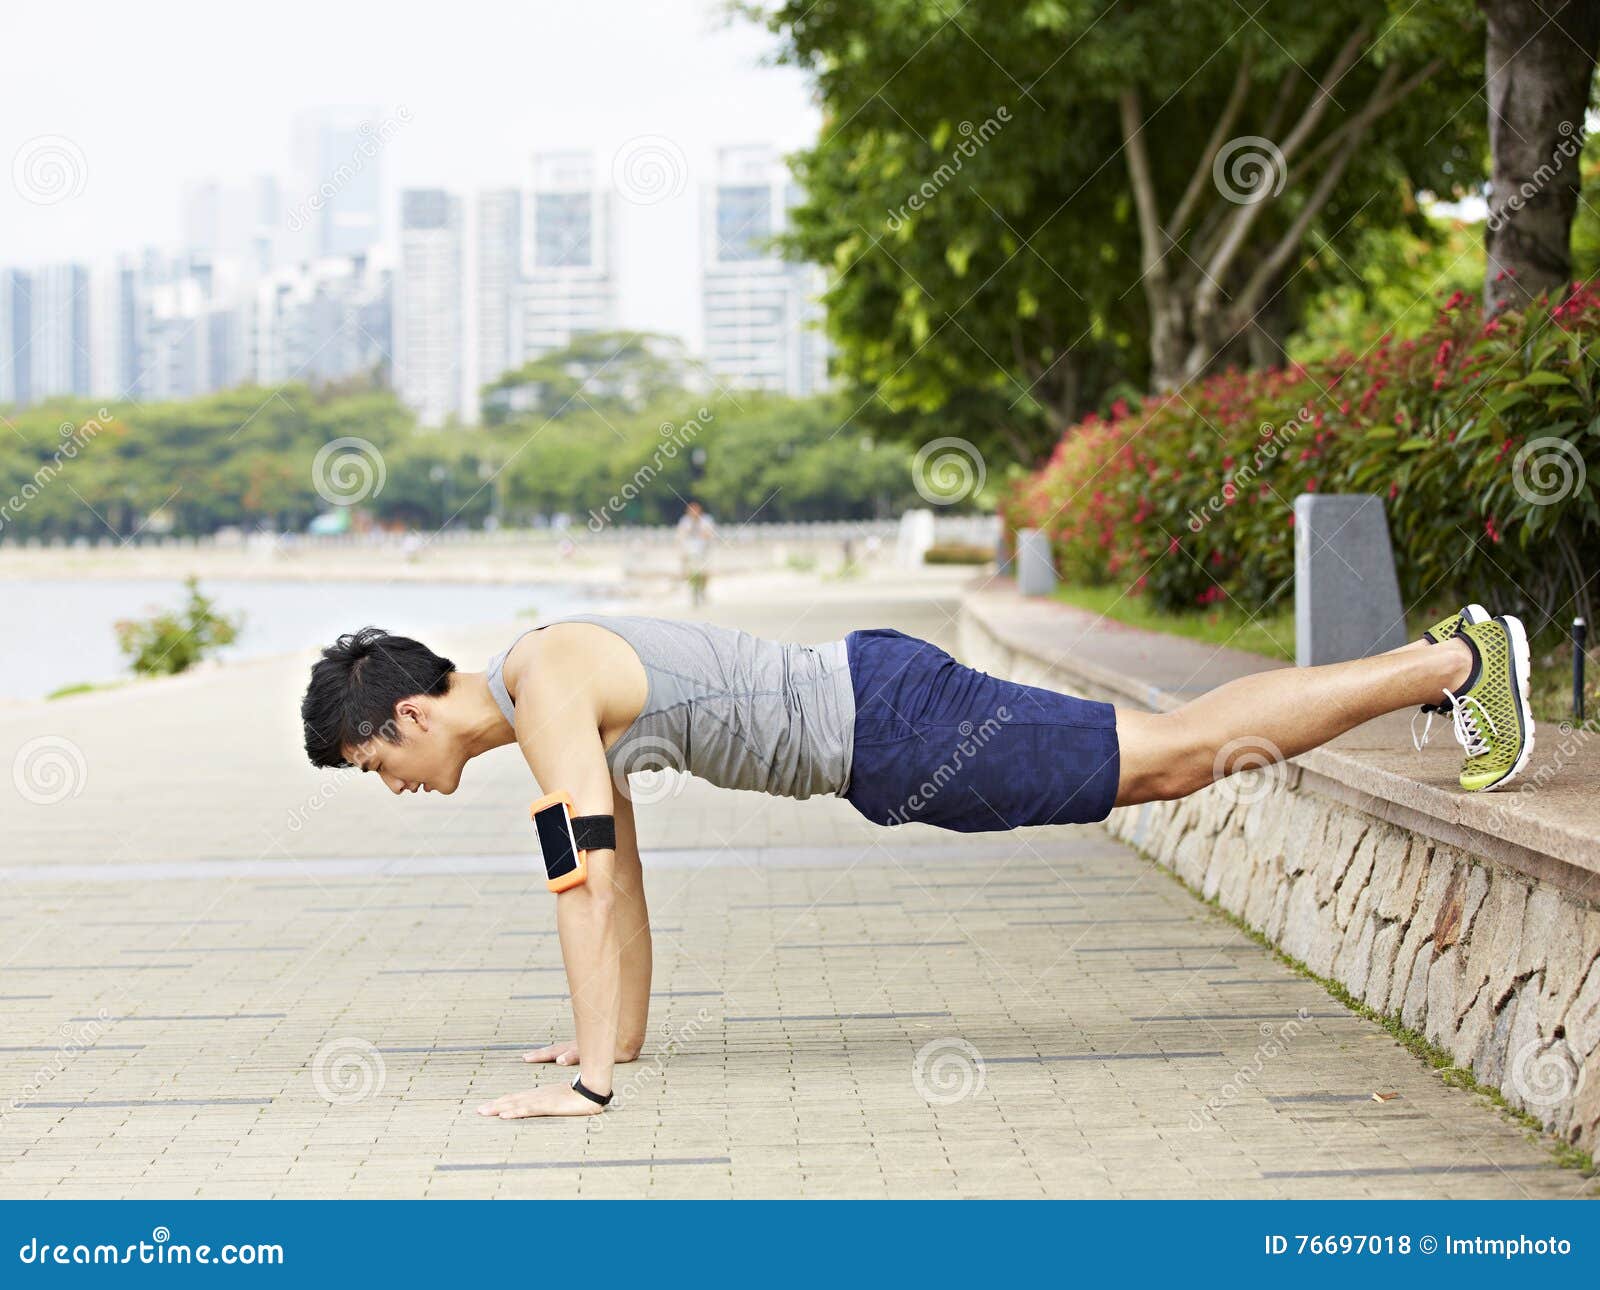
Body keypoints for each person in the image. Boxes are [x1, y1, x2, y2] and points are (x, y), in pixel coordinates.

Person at [298, 604, 1532, 1120]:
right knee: (1170, 757)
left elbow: (586, 877)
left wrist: (591, 1095)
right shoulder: (540, 691)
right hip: (886, 733)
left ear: (400, 718)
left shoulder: (544, 680)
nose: (390, 788)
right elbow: (622, 882)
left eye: (371, 766)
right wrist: (608, 1036)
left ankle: (1453, 663)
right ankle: (1448, 666)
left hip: (894, 726)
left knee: (1173, 758)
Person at [675, 501, 716, 606]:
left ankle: (703, 591)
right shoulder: (685, 521)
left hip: (703, 551)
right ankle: (693, 593)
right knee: (689, 572)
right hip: (689, 551)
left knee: (705, 573)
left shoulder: (706, 519)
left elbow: (710, 533)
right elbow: (680, 535)